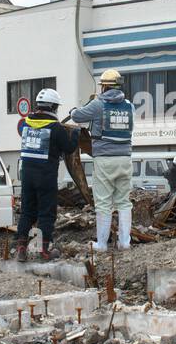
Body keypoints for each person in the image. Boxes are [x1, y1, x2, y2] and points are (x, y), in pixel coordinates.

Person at [70, 69, 135, 251]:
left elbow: (77, 116)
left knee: (103, 202)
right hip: (125, 158)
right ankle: (124, 243)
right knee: (123, 201)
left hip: (104, 159)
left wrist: (73, 110)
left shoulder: (98, 104)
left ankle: (101, 244)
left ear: (104, 86)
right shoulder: (129, 106)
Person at [16, 87, 77, 261]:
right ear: (53, 107)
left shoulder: (27, 123)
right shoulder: (55, 128)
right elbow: (69, 148)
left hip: (26, 174)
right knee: (46, 212)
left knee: (27, 211)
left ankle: (21, 248)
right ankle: (43, 250)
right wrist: (76, 135)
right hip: (46, 176)